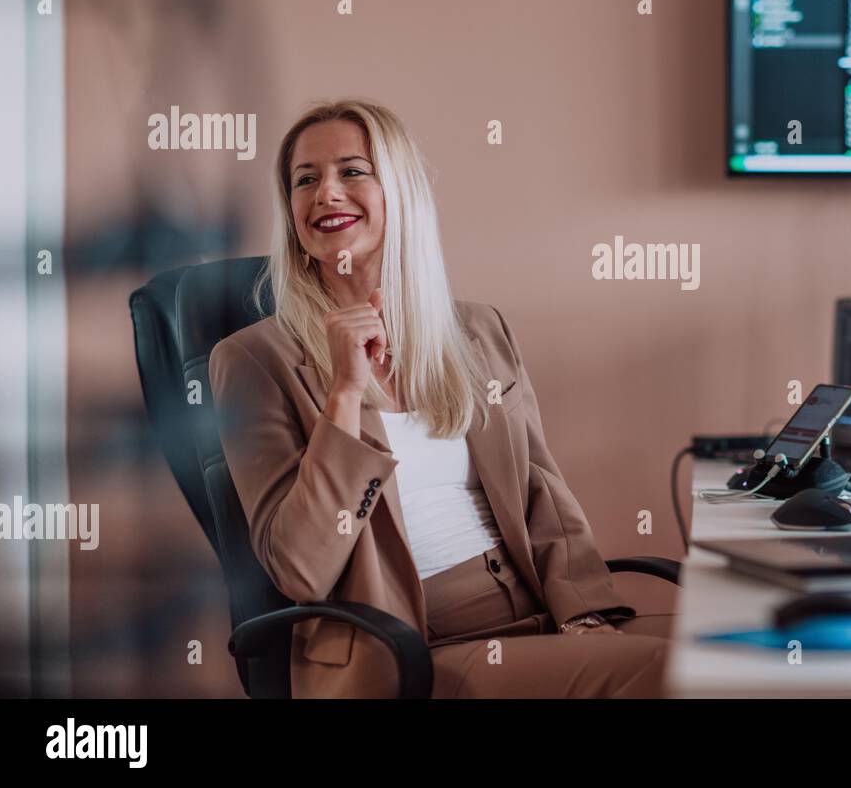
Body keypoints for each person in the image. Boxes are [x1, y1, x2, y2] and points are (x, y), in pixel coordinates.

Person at [209, 100, 671, 698]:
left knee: (743, 657)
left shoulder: (479, 330)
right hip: (411, 646)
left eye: (352, 171)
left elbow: (541, 493)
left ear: (400, 193)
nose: (326, 192)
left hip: (539, 610)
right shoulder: (254, 360)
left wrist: (583, 614)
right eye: (305, 179)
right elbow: (301, 567)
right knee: (667, 675)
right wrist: (346, 393)